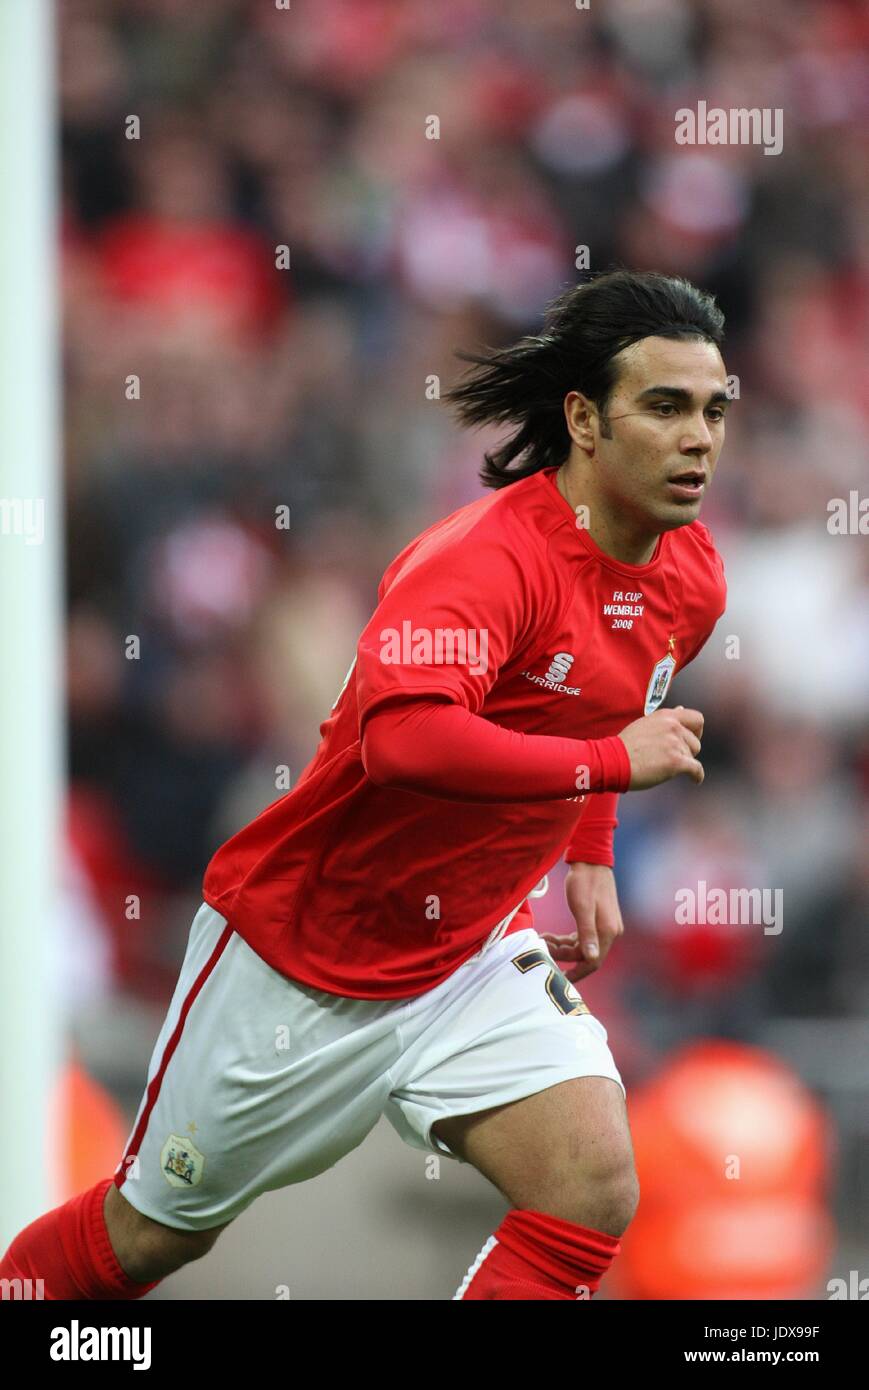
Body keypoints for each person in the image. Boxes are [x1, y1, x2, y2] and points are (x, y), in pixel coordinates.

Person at [1, 269, 729, 1301]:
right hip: (305, 955)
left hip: (470, 947)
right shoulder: (485, 562)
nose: (697, 436)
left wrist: (589, 849)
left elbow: (610, 703)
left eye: (711, 409)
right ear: (582, 419)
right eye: (662, 406)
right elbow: (404, 742)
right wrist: (610, 768)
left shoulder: (688, 574)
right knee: (147, 1238)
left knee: (591, 1183)